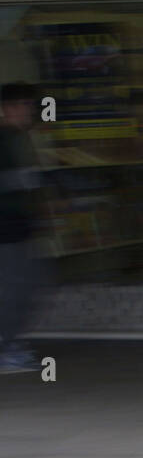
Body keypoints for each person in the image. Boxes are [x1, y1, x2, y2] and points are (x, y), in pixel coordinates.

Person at [0, 81, 44, 373]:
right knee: (15, 288)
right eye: (25, 105)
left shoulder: (19, 138)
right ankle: (7, 347)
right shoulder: (5, 139)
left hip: (17, 227)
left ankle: (11, 345)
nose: (30, 111)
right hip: (5, 228)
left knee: (23, 285)